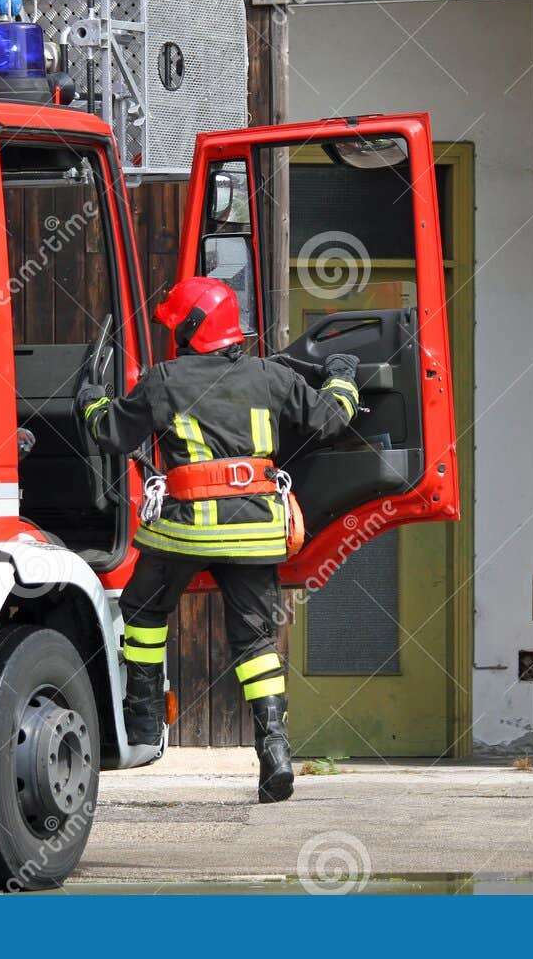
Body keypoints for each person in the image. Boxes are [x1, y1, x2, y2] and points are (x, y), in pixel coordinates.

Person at [76, 276, 359, 802]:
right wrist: (342, 376)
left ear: (189, 330)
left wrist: (91, 400)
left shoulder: (164, 381)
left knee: (142, 611)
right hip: (254, 530)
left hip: (183, 530)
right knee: (254, 642)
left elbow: (112, 432)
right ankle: (274, 752)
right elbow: (331, 419)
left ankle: (141, 726)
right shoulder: (272, 376)